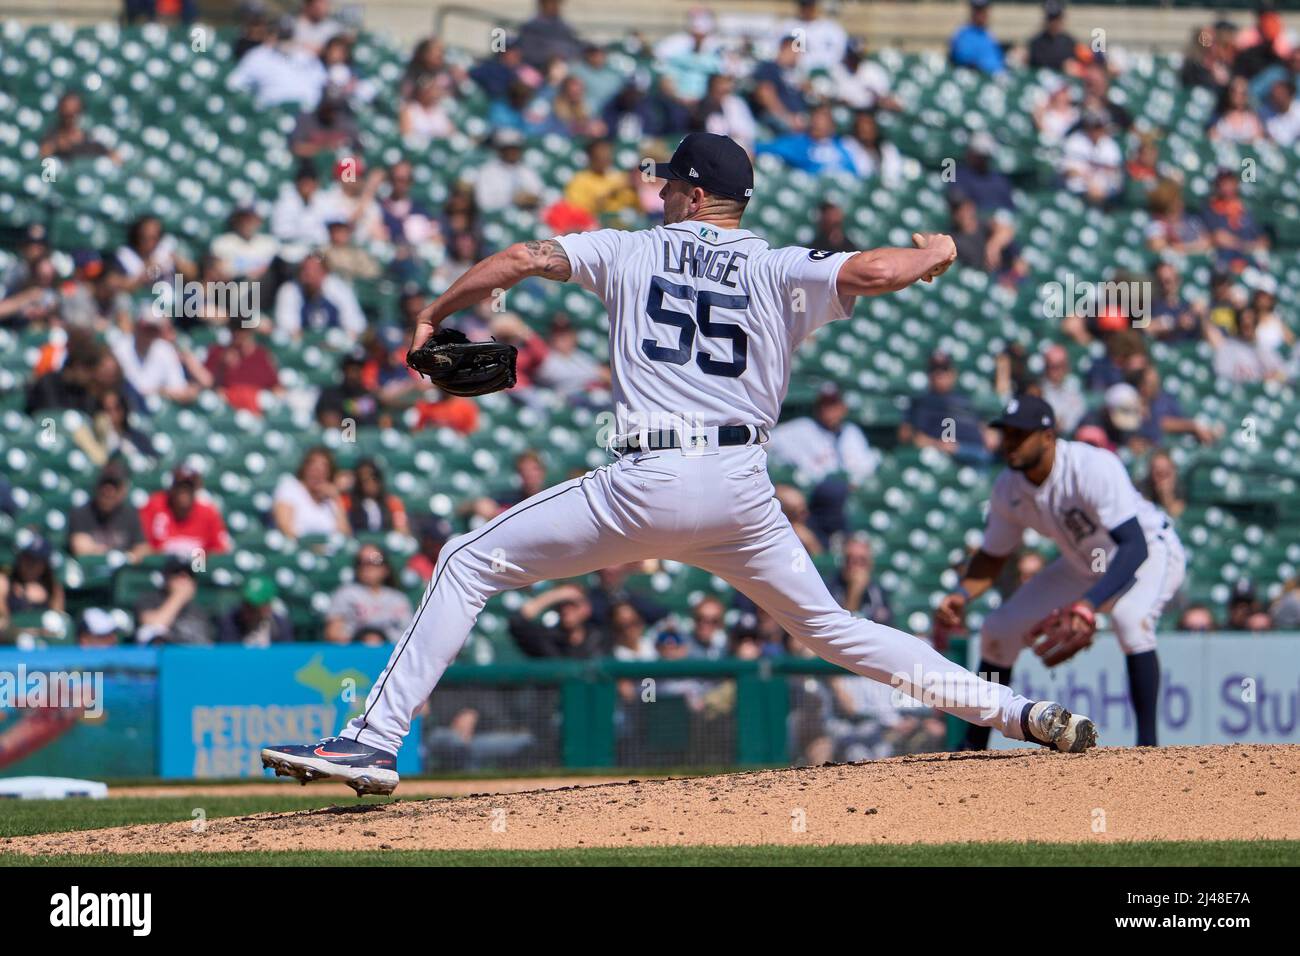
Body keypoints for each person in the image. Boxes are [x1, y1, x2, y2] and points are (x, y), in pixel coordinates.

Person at [265, 132, 1096, 795]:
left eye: (669, 185)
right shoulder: (778, 266)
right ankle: (1018, 712)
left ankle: (373, 740)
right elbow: (879, 269)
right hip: (739, 489)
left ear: (695, 194)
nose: (659, 193)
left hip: (648, 478)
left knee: (465, 560)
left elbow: (521, 257)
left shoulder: (630, 249)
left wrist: (432, 311)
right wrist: (941, 250)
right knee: (833, 630)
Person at [935, 395, 1185, 748]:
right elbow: (993, 555)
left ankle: (1148, 747)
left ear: (1048, 436)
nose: (1011, 442)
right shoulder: (1009, 486)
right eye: (1006, 433)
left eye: (1020, 434)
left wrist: (1088, 605)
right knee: (998, 630)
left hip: (1152, 551)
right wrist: (961, 595)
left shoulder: (1091, 466)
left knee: (1130, 619)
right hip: (1083, 564)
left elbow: (1133, 547)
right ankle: (974, 745)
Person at [899, 351, 994, 462]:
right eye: (934, 370)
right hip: (950, 455)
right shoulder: (921, 402)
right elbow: (911, 437)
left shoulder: (965, 399)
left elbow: (981, 424)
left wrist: (989, 433)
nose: (939, 374)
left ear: (953, 373)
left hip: (980, 450)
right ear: (928, 374)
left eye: (944, 370)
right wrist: (938, 444)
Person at [325, 545, 414, 644]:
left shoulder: (398, 598)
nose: (367, 566)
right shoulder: (345, 594)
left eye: (375, 560)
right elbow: (333, 633)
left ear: (386, 568)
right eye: (361, 562)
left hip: (391, 652)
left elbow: (409, 635)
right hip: (355, 652)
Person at [139, 466, 231, 557]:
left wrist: (195, 563)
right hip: (162, 566)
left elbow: (221, 550)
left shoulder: (208, 512)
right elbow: (142, 546)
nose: (184, 492)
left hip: (196, 566)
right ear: (172, 488)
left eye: (189, 488)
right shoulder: (155, 505)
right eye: (180, 486)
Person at [68, 465, 148, 559]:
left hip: (122, 570)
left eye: (115, 486)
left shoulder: (131, 514)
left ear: (123, 490)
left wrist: (127, 558)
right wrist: (114, 556)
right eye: (104, 484)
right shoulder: (81, 512)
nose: (108, 491)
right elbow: (80, 547)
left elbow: (142, 548)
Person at [273, 446, 350, 539]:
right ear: (305, 468)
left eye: (323, 470)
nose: (317, 474)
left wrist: (336, 499)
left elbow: (345, 535)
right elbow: (285, 528)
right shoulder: (290, 487)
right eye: (313, 468)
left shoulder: (330, 499)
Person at [134, 555, 213, 645]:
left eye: (189, 575)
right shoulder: (150, 599)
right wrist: (178, 596)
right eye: (177, 574)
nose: (184, 579)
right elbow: (152, 627)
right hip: (165, 655)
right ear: (167, 578)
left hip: (196, 656)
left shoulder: (200, 612)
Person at [826, 533, 892, 625]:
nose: (855, 566)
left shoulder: (878, 592)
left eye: (861, 561)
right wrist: (854, 592)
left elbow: (887, 627)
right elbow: (840, 627)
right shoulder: (830, 588)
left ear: (870, 564)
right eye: (850, 559)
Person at [217, 576, 294, 646]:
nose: (247, 610)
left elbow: (285, 656)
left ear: (267, 607)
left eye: (253, 607)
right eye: (246, 604)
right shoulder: (231, 622)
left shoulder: (280, 625)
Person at [950, 0, 1005, 75]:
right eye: (978, 10)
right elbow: (964, 60)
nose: (982, 14)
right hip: (979, 79)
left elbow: (999, 60)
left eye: (984, 10)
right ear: (972, 11)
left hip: (999, 77)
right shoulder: (963, 34)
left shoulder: (989, 34)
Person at [1027, 0, 1078, 72]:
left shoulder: (1069, 42)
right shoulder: (1036, 43)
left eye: (1057, 19)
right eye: (1051, 19)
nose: (1054, 23)